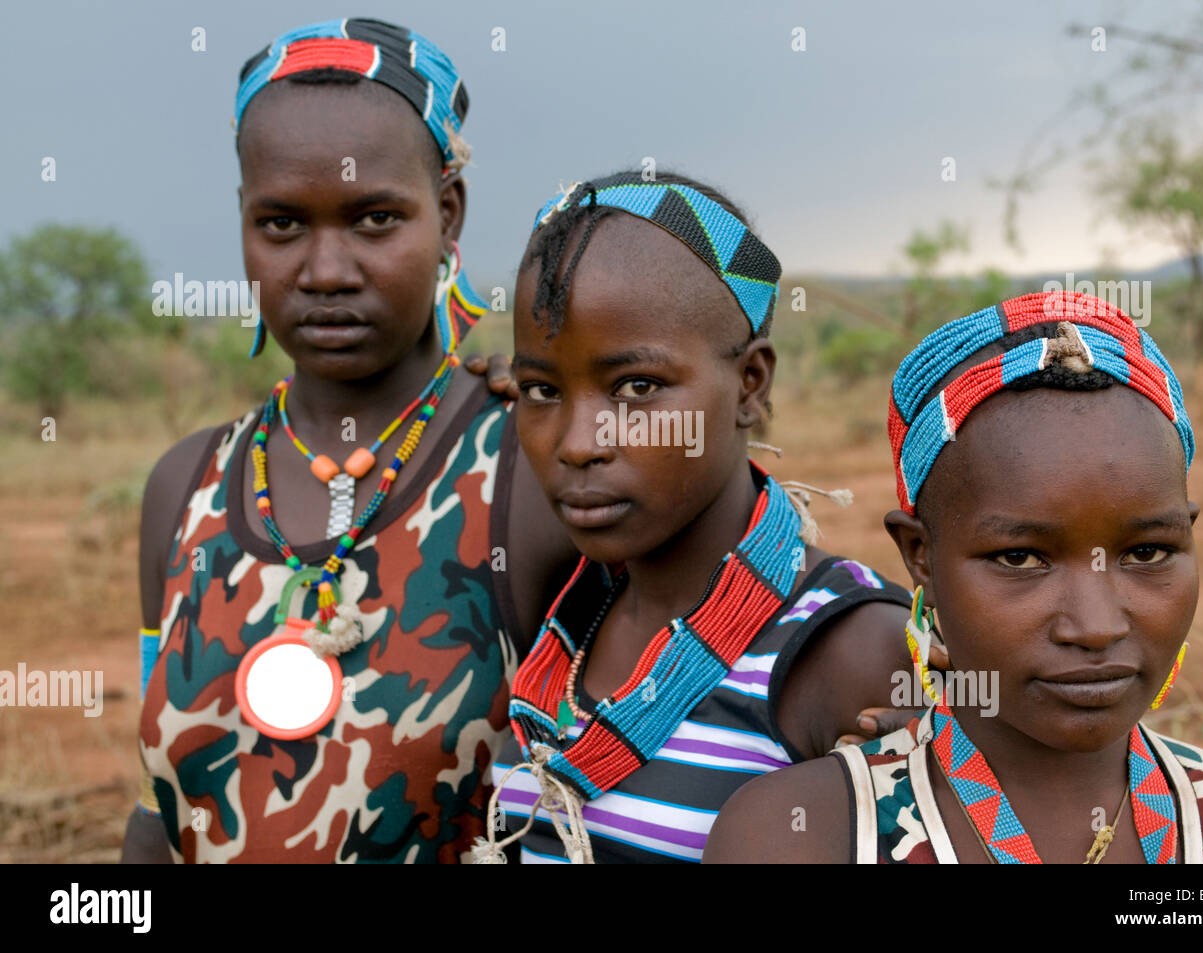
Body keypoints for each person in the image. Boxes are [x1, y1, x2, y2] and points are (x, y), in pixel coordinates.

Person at [122, 17, 577, 864]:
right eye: (283, 224)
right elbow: (158, 809)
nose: (326, 270)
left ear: (448, 215)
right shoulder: (184, 488)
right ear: (244, 223)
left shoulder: (532, 467)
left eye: (374, 219)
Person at [704, 291, 1203, 863]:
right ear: (920, 558)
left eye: (1146, 552)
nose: (1094, 627)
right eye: (1021, 559)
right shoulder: (802, 834)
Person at [477, 171, 920, 864]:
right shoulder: (569, 613)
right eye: (542, 389)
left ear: (750, 383)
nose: (577, 442)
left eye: (637, 387)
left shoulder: (854, 652)